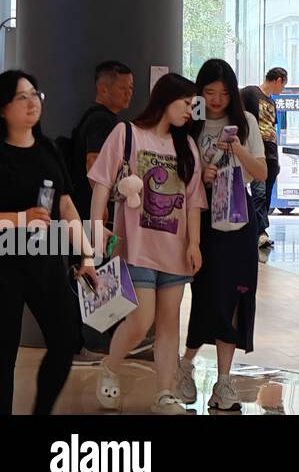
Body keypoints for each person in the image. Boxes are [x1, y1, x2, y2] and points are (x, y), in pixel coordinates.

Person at [89, 73, 206, 414]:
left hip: (175, 248)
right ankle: (110, 367)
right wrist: (96, 227)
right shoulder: (127, 133)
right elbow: (100, 181)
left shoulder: (186, 147)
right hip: (136, 245)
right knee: (142, 320)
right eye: (186, 103)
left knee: (169, 323)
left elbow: (194, 200)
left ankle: (164, 393)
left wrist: (194, 243)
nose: (190, 110)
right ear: (165, 99)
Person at [0, 71, 99, 415]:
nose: (31, 103)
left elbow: (66, 205)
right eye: (21, 97)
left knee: (64, 340)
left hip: (44, 258)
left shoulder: (48, 148)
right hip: (4, 263)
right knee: (4, 357)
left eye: (34, 94)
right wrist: (19, 219)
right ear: (3, 109)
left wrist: (87, 254)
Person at [178, 59, 267, 413]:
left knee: (233, 298)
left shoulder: (244, 123)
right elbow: (179, 177)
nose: (216, 100)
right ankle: (185, 366)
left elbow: (260, 171)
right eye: (209, 92)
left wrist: (238, 149)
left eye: (223, 93)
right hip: (200, 218)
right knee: (205, 294)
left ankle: (224, 380)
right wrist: (203, 178)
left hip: (238, 221)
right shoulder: (188, 125)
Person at [67, 60, 135, 362]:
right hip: (92, 214)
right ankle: (94, 341)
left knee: (95, 275)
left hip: (88, 214)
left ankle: (110, 339)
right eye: (123, 88)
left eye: (131, 88)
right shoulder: (101, 121)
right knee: (92, 274)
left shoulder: (98, 120)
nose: (128, 94)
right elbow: (94, 165)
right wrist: (102, 208)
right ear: (102, 88)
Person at [241, 66, 287, 249]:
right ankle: (260, 232)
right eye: (283, 85)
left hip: (271, 154)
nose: (282, 90)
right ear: (278, 80)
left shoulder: (272, 102)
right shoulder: (251, 92)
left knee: (266, 193)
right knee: (259, 192)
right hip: (257, 152)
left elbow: (272, 130)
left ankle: (259, 230)